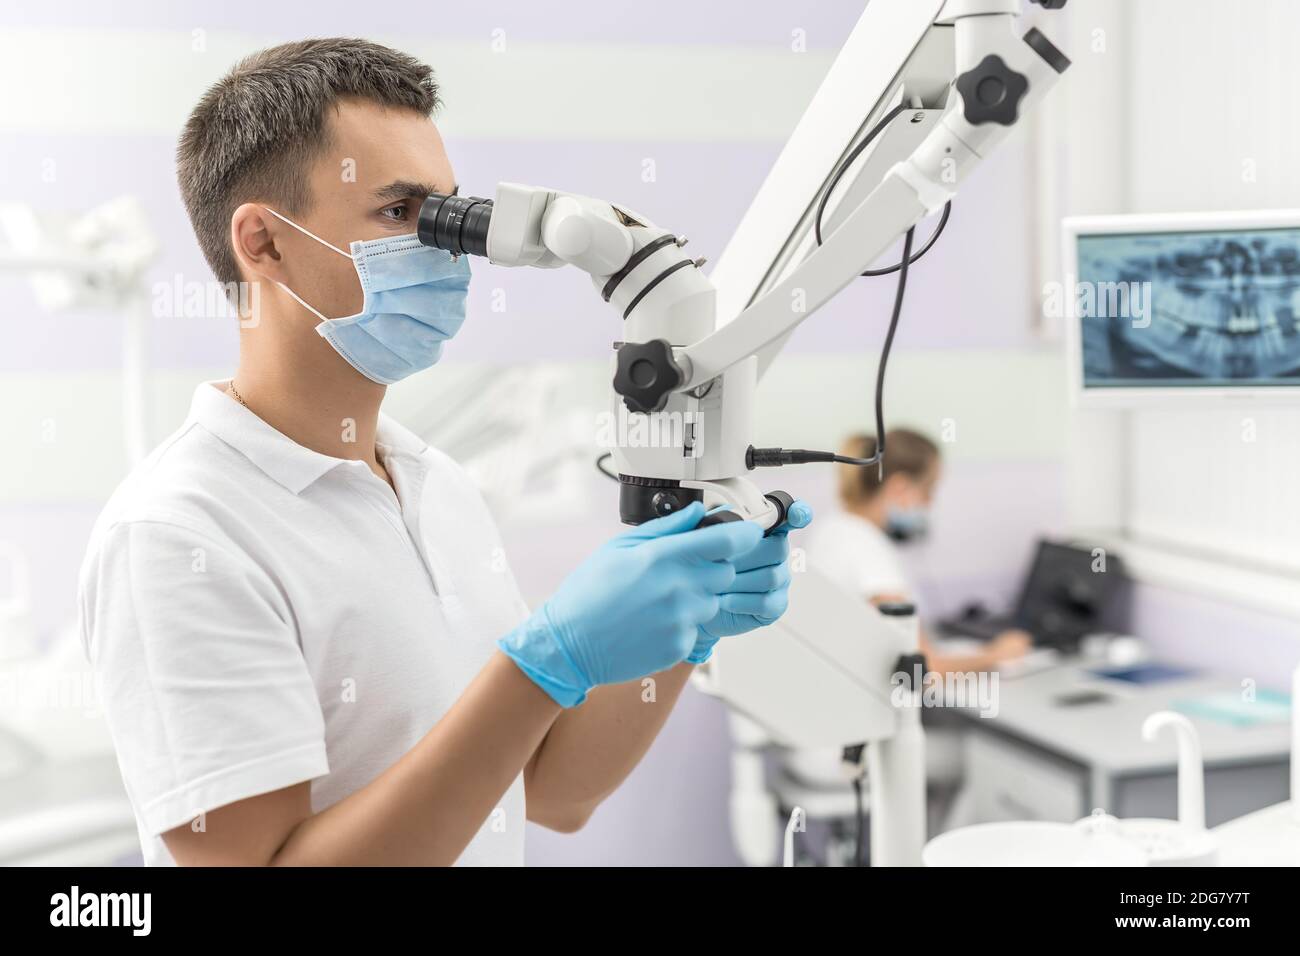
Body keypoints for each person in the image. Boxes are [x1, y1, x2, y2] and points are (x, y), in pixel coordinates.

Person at [77, 39, 811, 867]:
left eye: (449, 213)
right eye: (401, 213)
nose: (447, 249)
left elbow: (550, 792)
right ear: (264, 243)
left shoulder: (432, 481)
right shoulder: (180, 536)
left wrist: (687, 622)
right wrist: (540, 668)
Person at [807, 428, 1028, 674]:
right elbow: (926, 669)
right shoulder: (868, 551)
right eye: (928, 490)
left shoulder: (833, 526)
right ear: (899, 488)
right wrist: (996, 654)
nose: (930, 504)